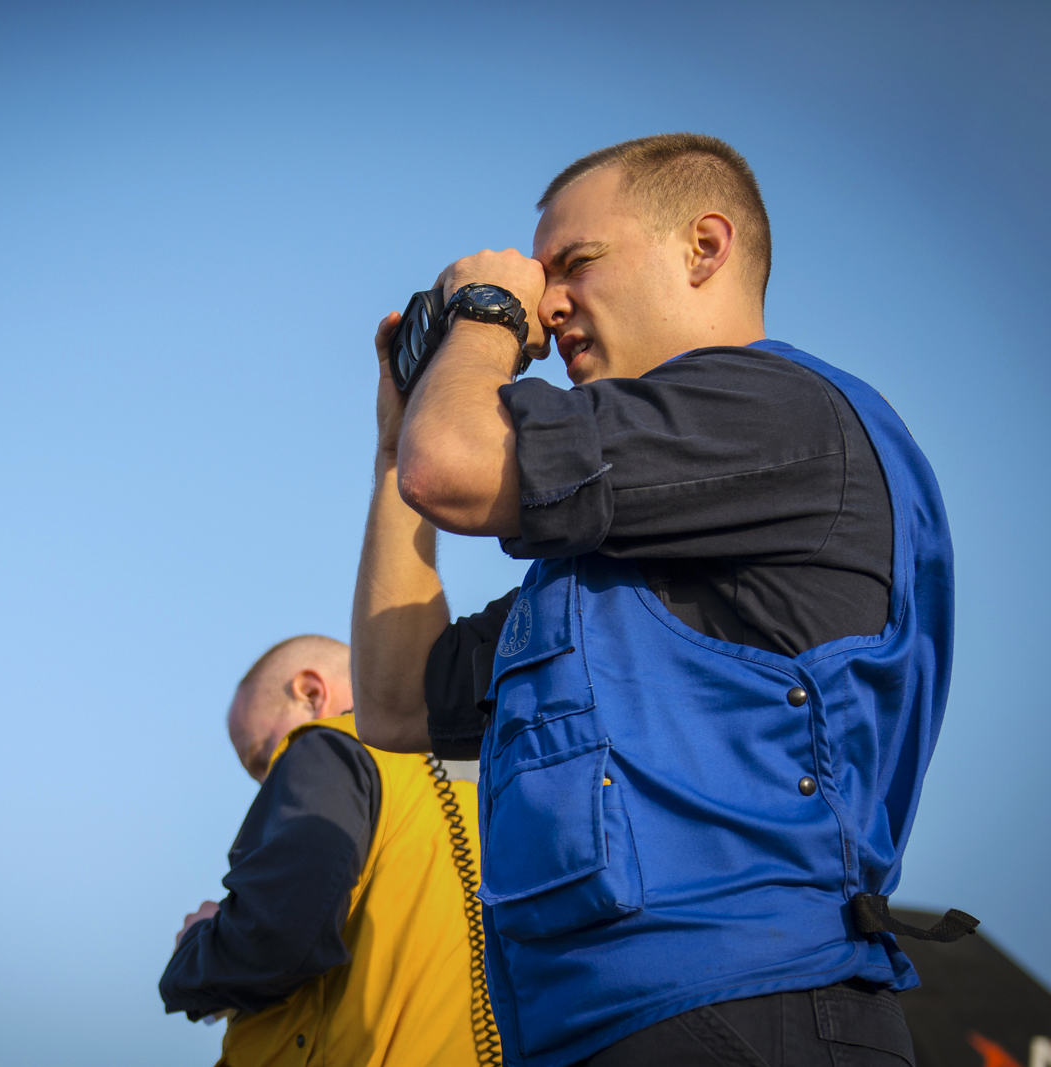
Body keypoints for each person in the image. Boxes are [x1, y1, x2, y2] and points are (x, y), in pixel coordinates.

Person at [351, 133, 963, 1067]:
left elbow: (459, 464)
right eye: (534, 281)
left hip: (747, 1016)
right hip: (602, 1033)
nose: (546, 306)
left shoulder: (780, 414)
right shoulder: (611, 560)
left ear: (705, 247)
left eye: (576, 264)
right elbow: (396, 703)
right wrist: (393, 454)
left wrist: (481, 312)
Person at [160, 634, 498, 1066]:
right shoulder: (483, 776)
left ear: (311, 693)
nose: (269, 784)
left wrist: (198, 945)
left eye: (263, 758)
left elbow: (277, 938)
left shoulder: (328, 747)